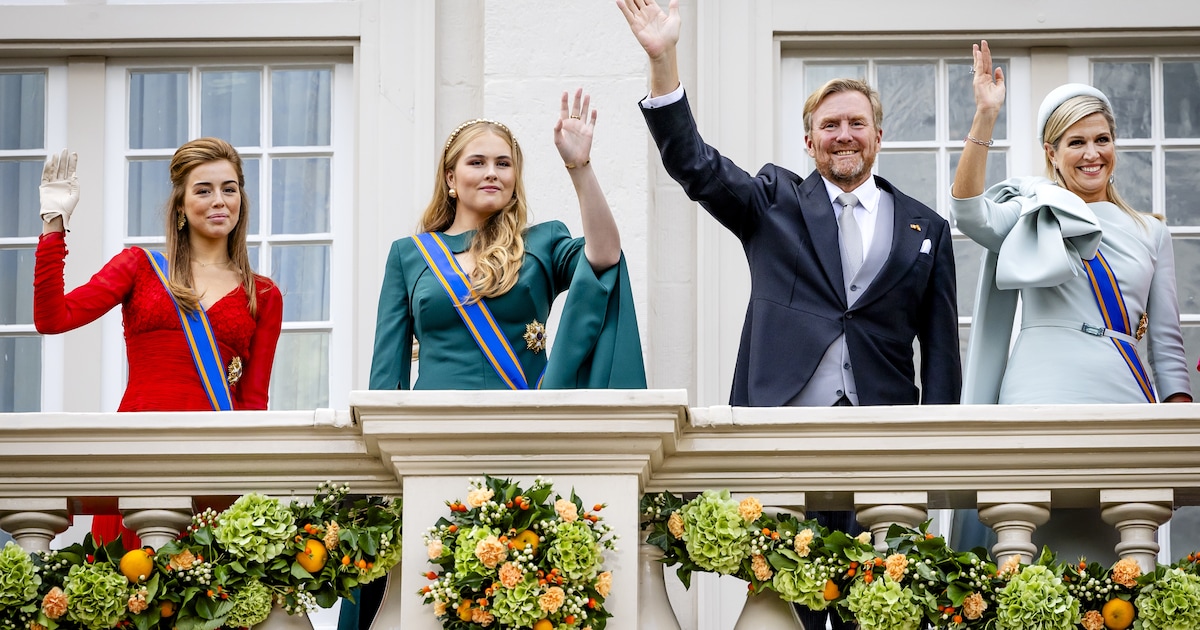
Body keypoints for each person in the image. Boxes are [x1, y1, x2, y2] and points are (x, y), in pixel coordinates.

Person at [617, 1, 960, 628]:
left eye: (857, 123)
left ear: (878, 137)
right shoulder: (773, 202)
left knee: (876, 606)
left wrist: (934, 451)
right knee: (783, 607)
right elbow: (694, 164)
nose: (844, 135)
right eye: (830, 125)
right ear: (809, 140)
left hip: (880, 441)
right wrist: (662, 59)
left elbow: (941, 354)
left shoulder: (925, 228)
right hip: (783, 432)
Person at [340, 90, 645, 629]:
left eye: (503, 163)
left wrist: (580, 168)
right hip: (432, 442)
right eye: (477, 162)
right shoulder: (408, 254)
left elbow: (605, 258)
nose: (491, 172)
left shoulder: (544, 241)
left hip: (525, 434)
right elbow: (385, 370)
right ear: (450, 178)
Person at [951, 41, 1192, 560]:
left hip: (1123, 400)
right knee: (1030, 556)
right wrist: (986, 115)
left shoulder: (1150, 232)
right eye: (1076, 141)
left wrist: (1179, 426)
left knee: (1121, 561)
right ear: (1052, 154)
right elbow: (968, 212)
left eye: (1102, 139)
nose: (1091, 153)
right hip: (1038, 396)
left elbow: (1169, 349)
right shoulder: (1030, 211)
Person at [34, 138, 284, 548]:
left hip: (212, 464)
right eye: (203, 190)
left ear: (242, 199)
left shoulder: (264, 295)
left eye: (229, 188)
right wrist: (54, 224)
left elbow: (254, 403)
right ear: (181, 206)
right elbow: (52, 318)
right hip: (139, 450)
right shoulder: (139, 266)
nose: (219, 200)